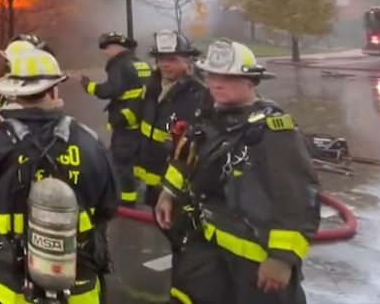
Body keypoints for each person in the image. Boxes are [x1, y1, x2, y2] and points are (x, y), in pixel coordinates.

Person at [155, 39, 319, 304]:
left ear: (251, 81)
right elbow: (185, 158)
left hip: (255, 261)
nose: (217, 83)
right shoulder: (209, 118)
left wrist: (281, 258)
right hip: (209, 245)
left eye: (228, 77)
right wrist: (168, 193)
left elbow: (297, 198)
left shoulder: (274, 133)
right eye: (212, 75)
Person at [0, 47, 119, 304]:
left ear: (14, 93)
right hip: (79, 286)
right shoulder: (89, 142)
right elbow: (109, 205)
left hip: (12, 288)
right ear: (54, 89)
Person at [135, 30, 210, 210]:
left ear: (188, 62)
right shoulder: (151, 87)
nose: (165, 65)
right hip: (151, 175)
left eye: (173, 59)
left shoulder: (199, 94)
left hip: (179, 182)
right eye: (161, 59)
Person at [81, 31, 152, 206]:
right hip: (142, 119)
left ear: (116, 47)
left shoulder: (119, 64)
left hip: (125, 120)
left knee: (121, 161)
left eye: (108, 48)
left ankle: (125, 201)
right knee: (136, 159)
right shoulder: (140, 63)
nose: (106, 52)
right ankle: (140, 194)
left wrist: (89, 86)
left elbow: (111, 90)